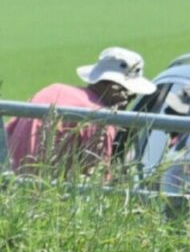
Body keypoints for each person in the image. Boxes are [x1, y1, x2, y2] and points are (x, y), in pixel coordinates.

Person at [5, 46, 155, 174]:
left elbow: (7, 135)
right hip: (50, 195)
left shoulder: (52, 90)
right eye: (129, 91)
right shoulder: (101, 120)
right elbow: (96, 183)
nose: (131, 97)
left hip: (12, 186)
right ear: (112, 86)